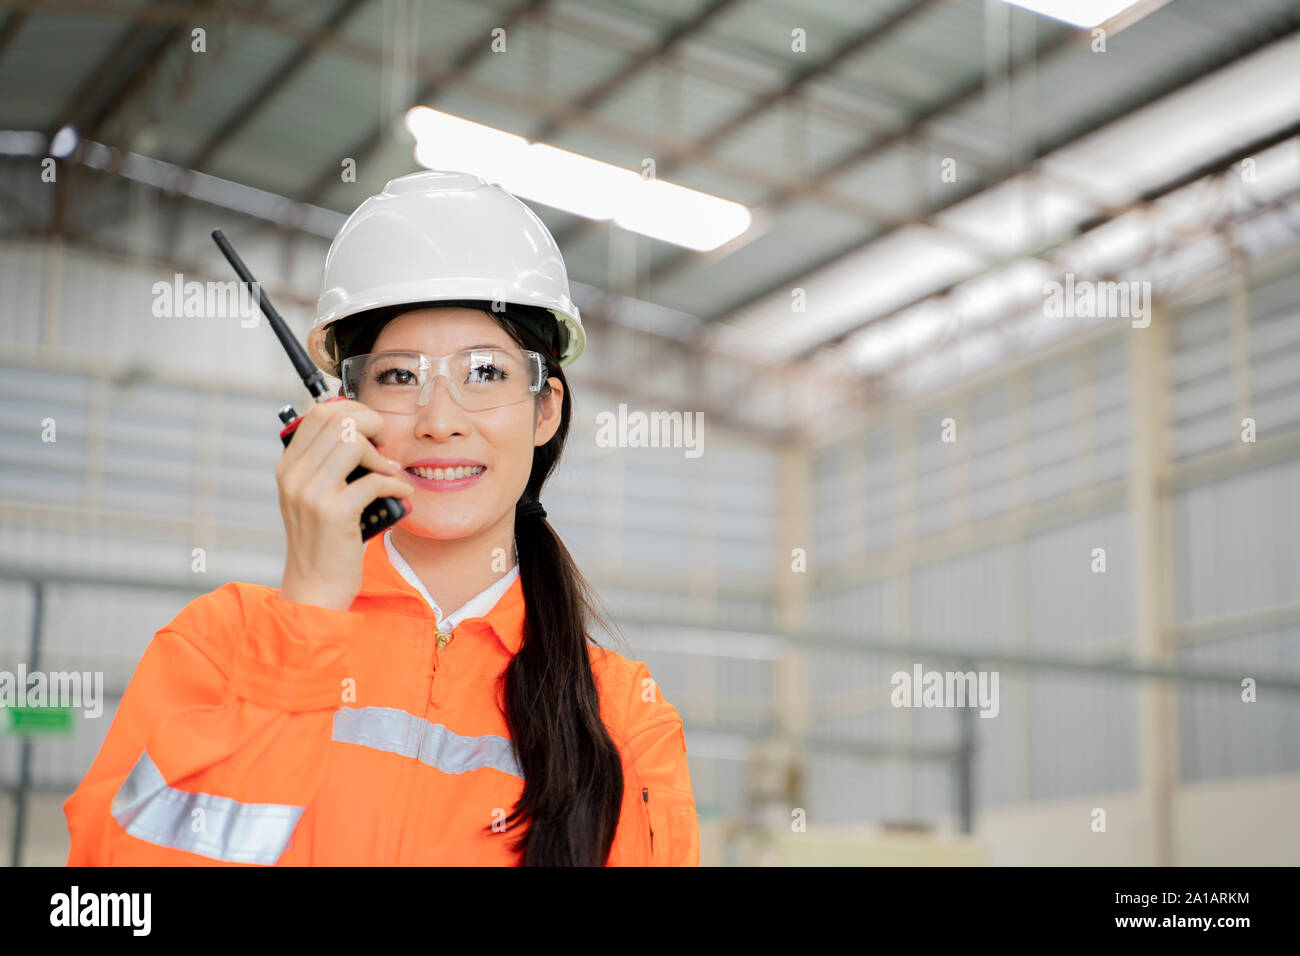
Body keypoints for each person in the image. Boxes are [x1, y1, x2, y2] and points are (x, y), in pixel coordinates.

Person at [63, 169, 700, 866]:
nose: (440, 422)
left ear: (545, 408)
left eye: (484, 372)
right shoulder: (217, 649)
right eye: (400, 375)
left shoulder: (626, 718)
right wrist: (305, 621)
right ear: (342, 406)